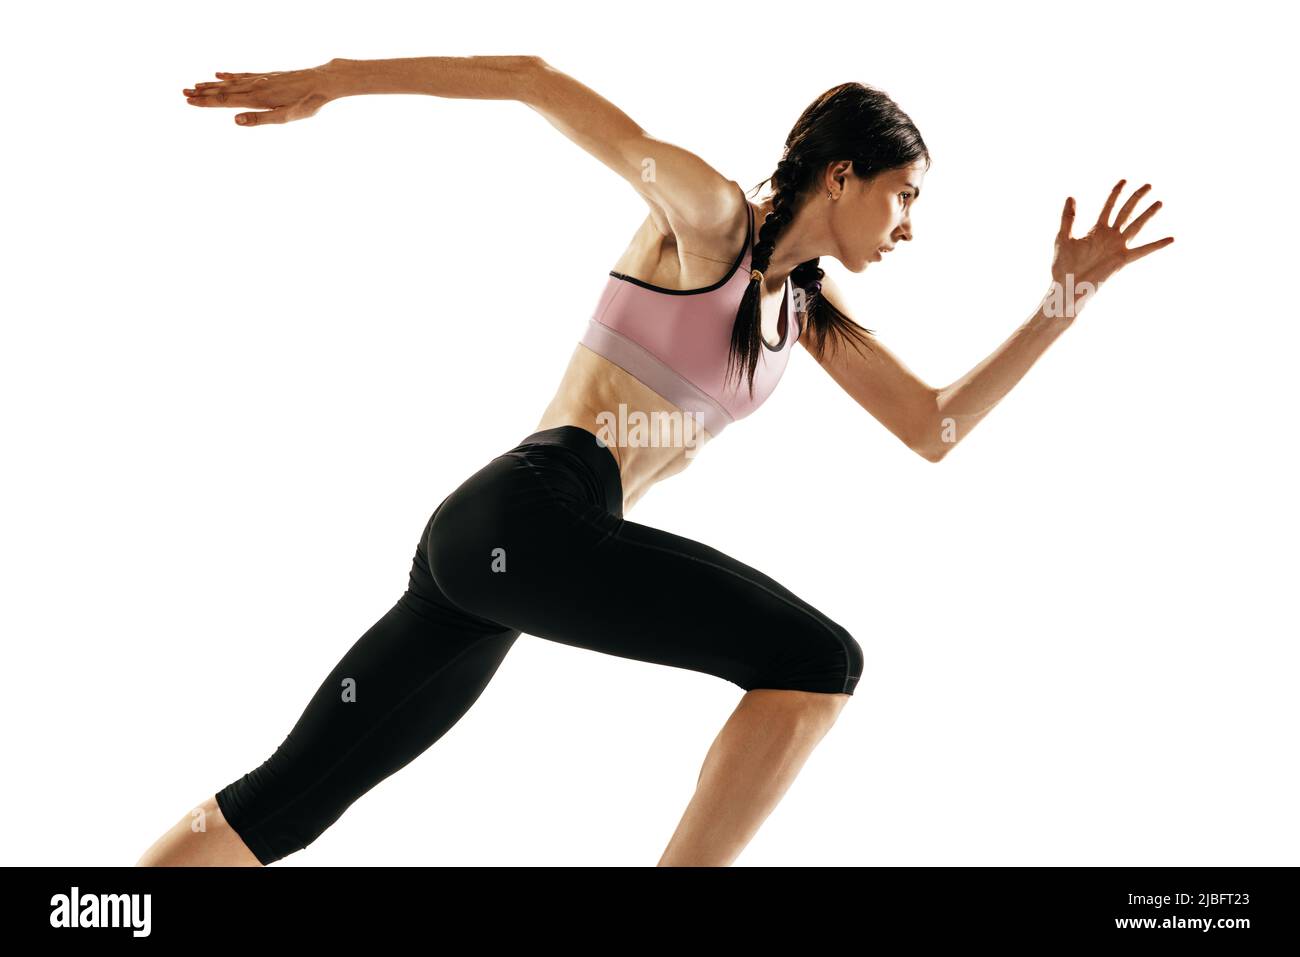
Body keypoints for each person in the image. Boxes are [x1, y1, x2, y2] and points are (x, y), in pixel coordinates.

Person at [139, 56, 1173, 867]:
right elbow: (531, 82)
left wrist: (1064, 301)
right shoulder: (708, 218)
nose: (909, 227)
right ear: (843, 171)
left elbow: (932, 427)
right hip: (533, 512)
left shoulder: (804, 311)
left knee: (280, 807)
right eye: (905, 195)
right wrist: (333, 80)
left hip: (489, 558)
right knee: (816, 663)